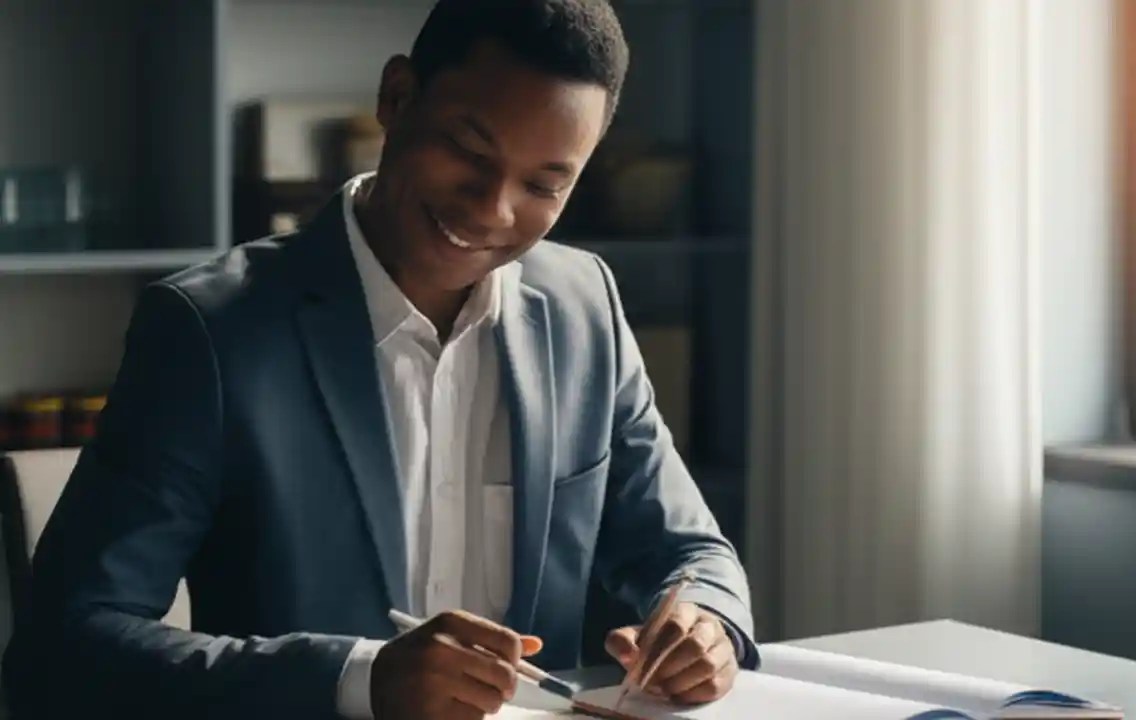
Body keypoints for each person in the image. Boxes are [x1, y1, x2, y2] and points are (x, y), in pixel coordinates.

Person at [2, 1, 756, 718]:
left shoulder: (584, 304)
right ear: (397, 97)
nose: (493, 209)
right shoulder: (210, 330)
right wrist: (359, 679)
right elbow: (65, 649)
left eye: (542, 184)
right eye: (468, 149)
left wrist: (706, 621)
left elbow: (690, 552)